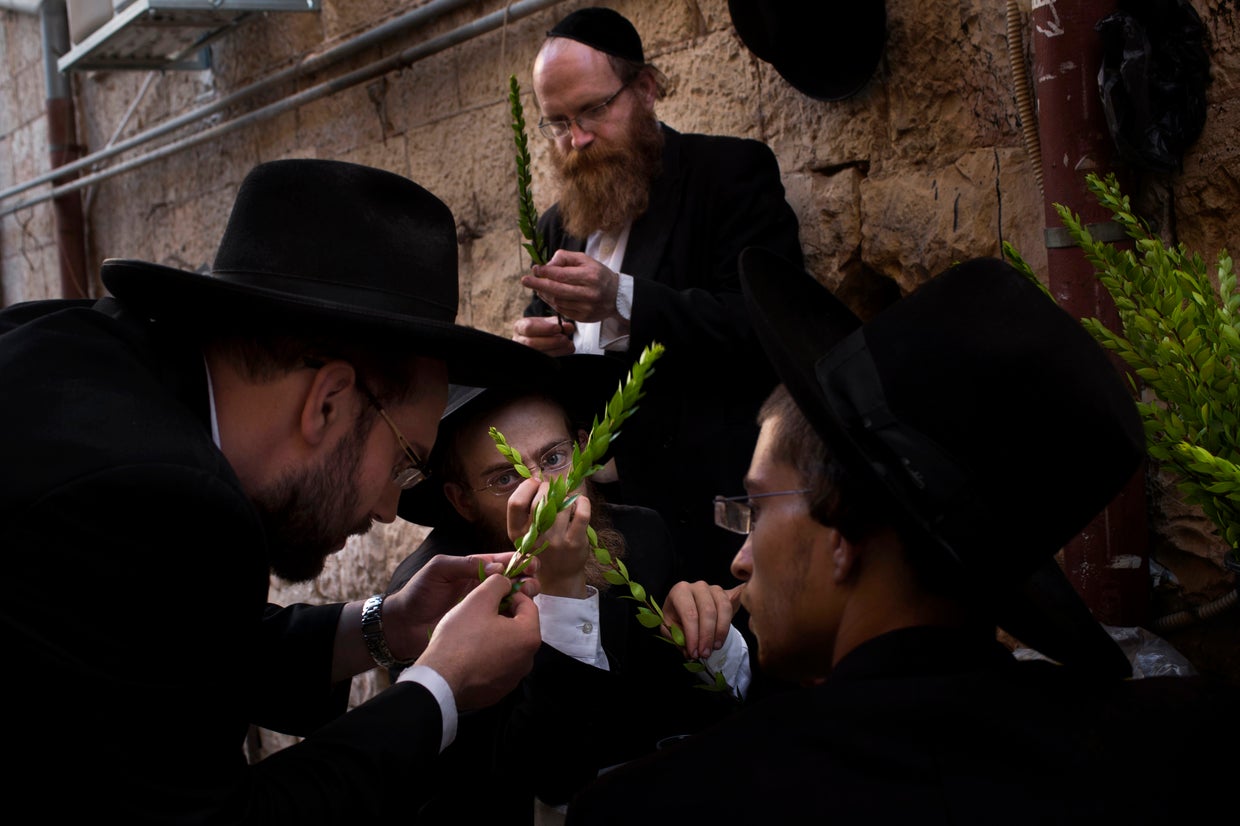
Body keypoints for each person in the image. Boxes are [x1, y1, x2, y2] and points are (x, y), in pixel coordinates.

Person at [563, 249, 1238, 823]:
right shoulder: (1176, 750)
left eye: (758, 507)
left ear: (841, 532)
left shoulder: (670, 806)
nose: (739, 558)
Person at [0, 158, 562, 823]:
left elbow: (171, 647)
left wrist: (385, 625)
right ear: (327, 403)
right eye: (402, 463)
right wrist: (439, 687)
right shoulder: (157, 492)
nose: (388, 508)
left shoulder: (105, 364)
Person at [510, 6, 807, 588]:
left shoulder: (727, 175)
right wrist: (535, 345)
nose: (578, 139)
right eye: (557, 122)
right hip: (603, 524)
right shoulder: (556, 225)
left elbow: (765, 329)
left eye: (594, 109)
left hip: (703, 519)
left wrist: (622, 297)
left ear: (644, 88)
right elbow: (554, 339)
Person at [387, 353, 752, 823]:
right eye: (504, 478)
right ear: (461, 500)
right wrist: (561, 593)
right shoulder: (433, 597)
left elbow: (704, 714)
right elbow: (530, 779)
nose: (546, 497)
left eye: (554, 459)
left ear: (584, 449)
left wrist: (707, 638)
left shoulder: (642, 535)